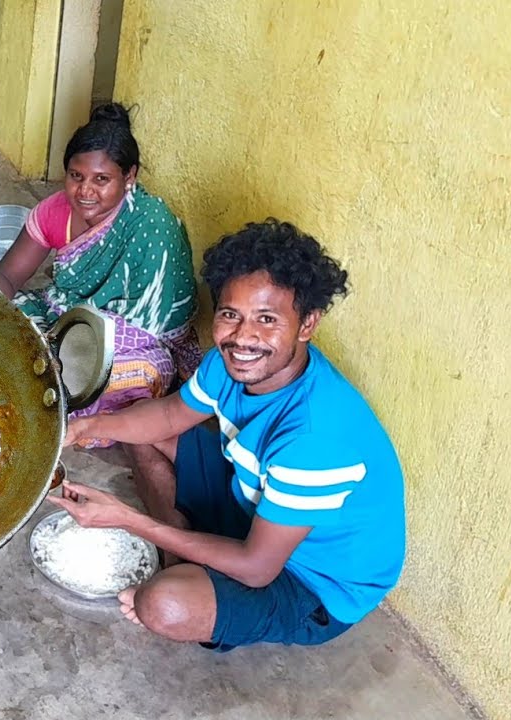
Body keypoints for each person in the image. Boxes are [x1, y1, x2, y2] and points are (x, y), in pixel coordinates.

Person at [49, 219, 405, 651]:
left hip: (309, 580)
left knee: (163, 604)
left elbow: (257, 569)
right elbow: (167, 416)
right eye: (230, 314)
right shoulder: (232, 360)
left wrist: (128, 519)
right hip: (253, 497)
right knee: (136, 425)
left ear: (307, 324)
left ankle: (180, 558)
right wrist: (84, 427)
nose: (244, 336)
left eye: (268, 319)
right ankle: (181, 550)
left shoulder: (314, 440)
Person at [0, 103, 201, 447]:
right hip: (65, 320)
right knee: (13, 319)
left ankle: (59, 395)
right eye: (76, 176)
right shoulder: (54, 211)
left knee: (135, 381)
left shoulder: (152, 223)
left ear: (129, 177)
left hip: (135, 345)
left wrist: (81, 344)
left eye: (102, 180)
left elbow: (160, 326)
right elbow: (8, 276)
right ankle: (51, 379)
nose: (85, 191)